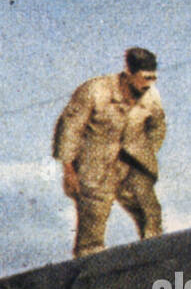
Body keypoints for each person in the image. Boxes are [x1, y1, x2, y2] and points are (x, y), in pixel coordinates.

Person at [52, 47, 166, 258]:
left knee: (151, 212)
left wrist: (145, 152)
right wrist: (68, 169)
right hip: (95, 165)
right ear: (129, 73)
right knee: (92, 227)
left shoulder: (151, 97)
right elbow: (70, 127)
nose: (149, 84)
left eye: (153, 78)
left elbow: (157, 126)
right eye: (144, 78)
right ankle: (88, 271)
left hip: (131, 162)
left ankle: (155, 258)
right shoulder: (95, 90)